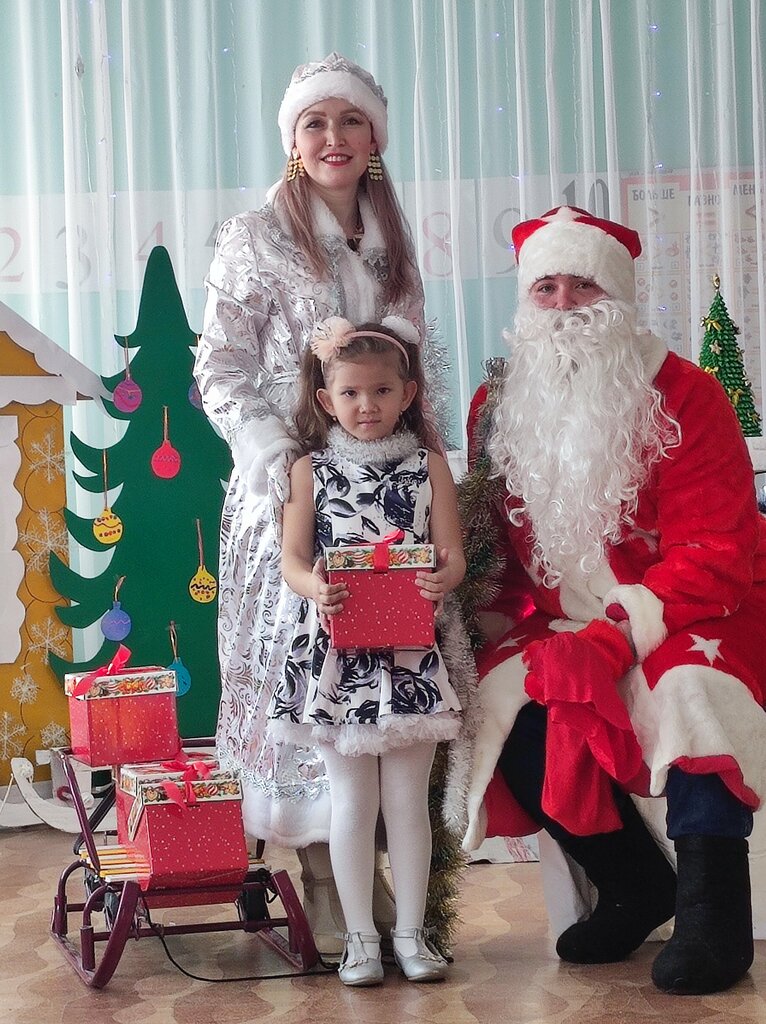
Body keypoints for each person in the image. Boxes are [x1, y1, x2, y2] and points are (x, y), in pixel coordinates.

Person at [460, 205, 766, 995]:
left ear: (620, 295)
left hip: (695, 609)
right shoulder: (496, 405)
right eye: (546, 288)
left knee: (690, 690)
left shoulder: (689, 394)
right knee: (499, 698)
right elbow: (497, 553)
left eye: (584, 286)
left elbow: (716, 555)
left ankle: (714, 915)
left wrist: (616, 637)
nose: (564, 304)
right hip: (563, 616)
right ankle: (633, 882)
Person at [193, 53, 435, 952]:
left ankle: (386, 880)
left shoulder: (393, 240)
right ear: (294, 141)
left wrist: (429, 472)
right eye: (315, 123)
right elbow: (218, 369)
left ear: (375, 137)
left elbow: (418, 366)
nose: (334, 138)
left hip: (386, 499)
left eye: (351, 120)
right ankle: (323, 873)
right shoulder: (254, 236)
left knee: (383, 677)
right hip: (287, 497)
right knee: (307, 682)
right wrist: (276, 454)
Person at [268, 317, 465, 986]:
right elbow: (294, 559)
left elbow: (452, 554)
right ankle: (360, 940)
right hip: (338, 655)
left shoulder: (428, 467)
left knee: (407, 801)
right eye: (350, 393)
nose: (367, 406)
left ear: (407, 394)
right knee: (351, 801)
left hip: (409, 657)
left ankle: (411, 935)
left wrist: (442, 577)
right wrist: (315, 586)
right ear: (327, 400)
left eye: (381, 391)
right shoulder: (309, 470)